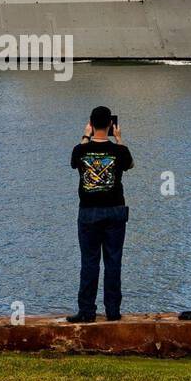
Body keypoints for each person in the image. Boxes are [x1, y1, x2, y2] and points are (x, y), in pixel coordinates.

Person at [68, 106, 133, 323]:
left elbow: (73, 163)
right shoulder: (119, 151)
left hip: (89, 212)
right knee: (113, 262)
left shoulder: (80, 150)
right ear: (111, 125)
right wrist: (120, 138)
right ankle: (112, 311)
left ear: (91, 123)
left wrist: (86, 136)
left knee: (89, 263)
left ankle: (87, 311)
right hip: (115, 211)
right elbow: (130, 164)